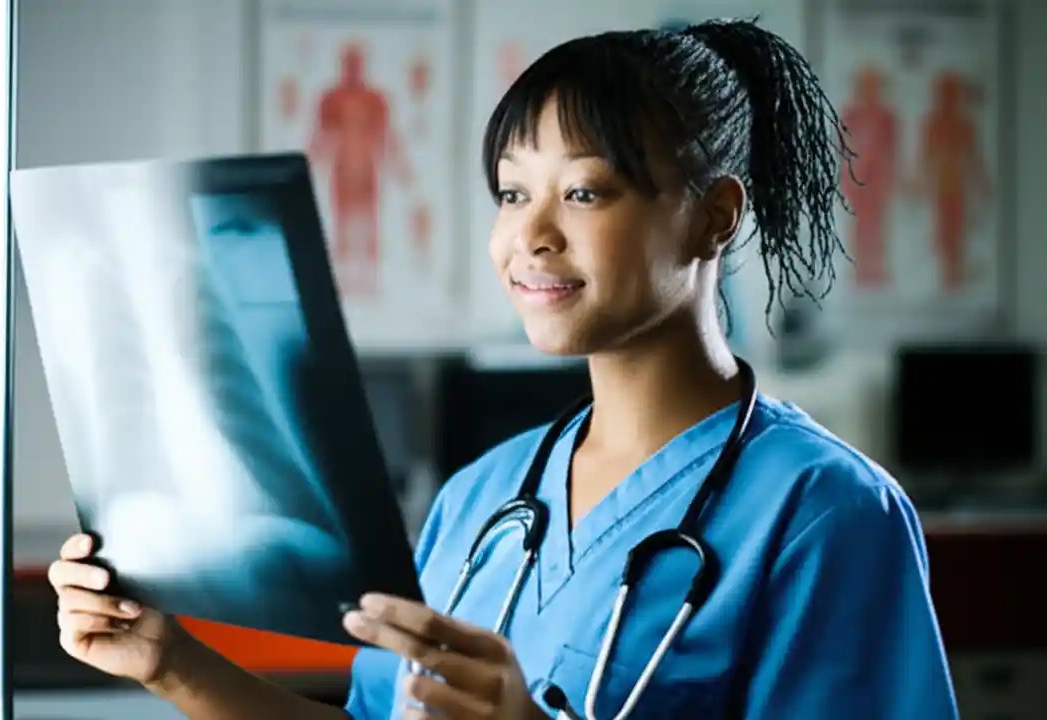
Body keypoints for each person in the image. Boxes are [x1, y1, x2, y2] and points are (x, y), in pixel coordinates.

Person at [49, 18, 959, 719]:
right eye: (515, 193)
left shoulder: (825, 513)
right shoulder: (481, 503)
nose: (530, 236)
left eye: (585, 192)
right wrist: (172, 662)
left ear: (713, 217)